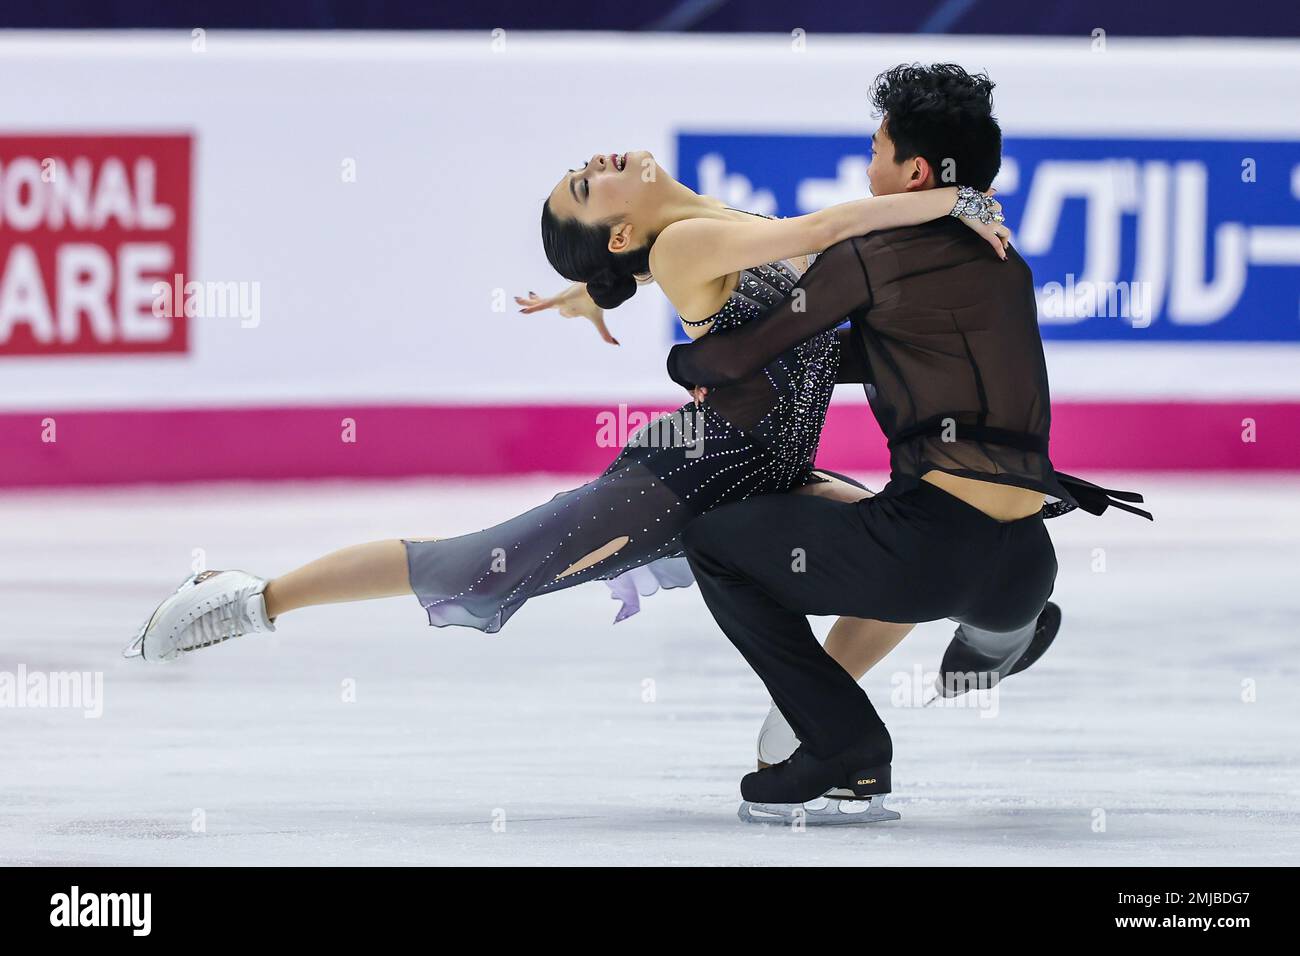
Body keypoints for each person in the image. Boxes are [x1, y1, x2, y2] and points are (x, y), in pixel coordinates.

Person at [124, 148, 1010, 675]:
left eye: (580, 171)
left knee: (913, 553)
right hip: (678, 484)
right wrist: (955, 201)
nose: (593, 165)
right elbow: (824, 233)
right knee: (472, 567)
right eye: (587, 189)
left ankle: (838, 710)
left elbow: (745, 296)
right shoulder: (693, 242)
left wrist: (596, 297)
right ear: (624, 236)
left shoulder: (712, 226)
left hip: (764, 474)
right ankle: (246, 599)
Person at [667, 63, 1148, 820]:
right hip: (1028, 559)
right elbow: (894, 354)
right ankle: (1000, 636)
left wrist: (684, 360)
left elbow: (734, 358)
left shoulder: (873, 254)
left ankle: (847, 747)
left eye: (877, 153)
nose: (867, 169)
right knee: (919, 548)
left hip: (929, 554)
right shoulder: (1002, 260)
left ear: (914, 171)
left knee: (717, 544)